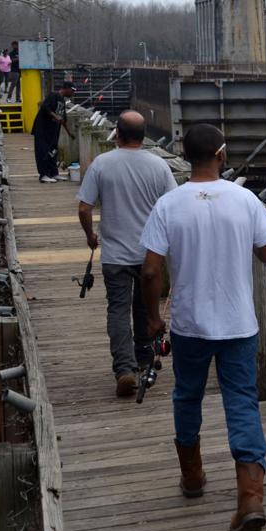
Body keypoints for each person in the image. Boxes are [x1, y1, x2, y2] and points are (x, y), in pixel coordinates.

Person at [140, 124, 266, 531]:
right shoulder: (245, 200)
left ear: (186, 157)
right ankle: (250, 498)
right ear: (221, 155)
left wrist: (153, 319)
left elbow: (150, 270)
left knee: (187, 395)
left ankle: (192, 477)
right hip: (239, 324)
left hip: (190, 325)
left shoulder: (169, 205)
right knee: (242, 401)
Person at [77, 110, 177, 398]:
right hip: (150, 254)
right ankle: (145, 362)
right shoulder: (159, 166)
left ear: (117, 134)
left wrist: (90, 236)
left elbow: (84, 208)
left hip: (114, 255)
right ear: (143, 136)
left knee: (117, 311)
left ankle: (124, 370)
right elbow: (172, 205)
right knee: (144, 308)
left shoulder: (102, 164)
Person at [31, 80, 74, 183]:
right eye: (72, 90)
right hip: (42, 129)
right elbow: (45, 106)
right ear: (66, 88)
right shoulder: (53, 95)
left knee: (53, 152)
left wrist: (69, 133)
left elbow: (63, 119)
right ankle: (43, 175)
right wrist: (55, 116)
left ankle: (54, 173)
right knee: (43, 152)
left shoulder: (62, 101)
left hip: (53, 131)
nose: (73, 93)